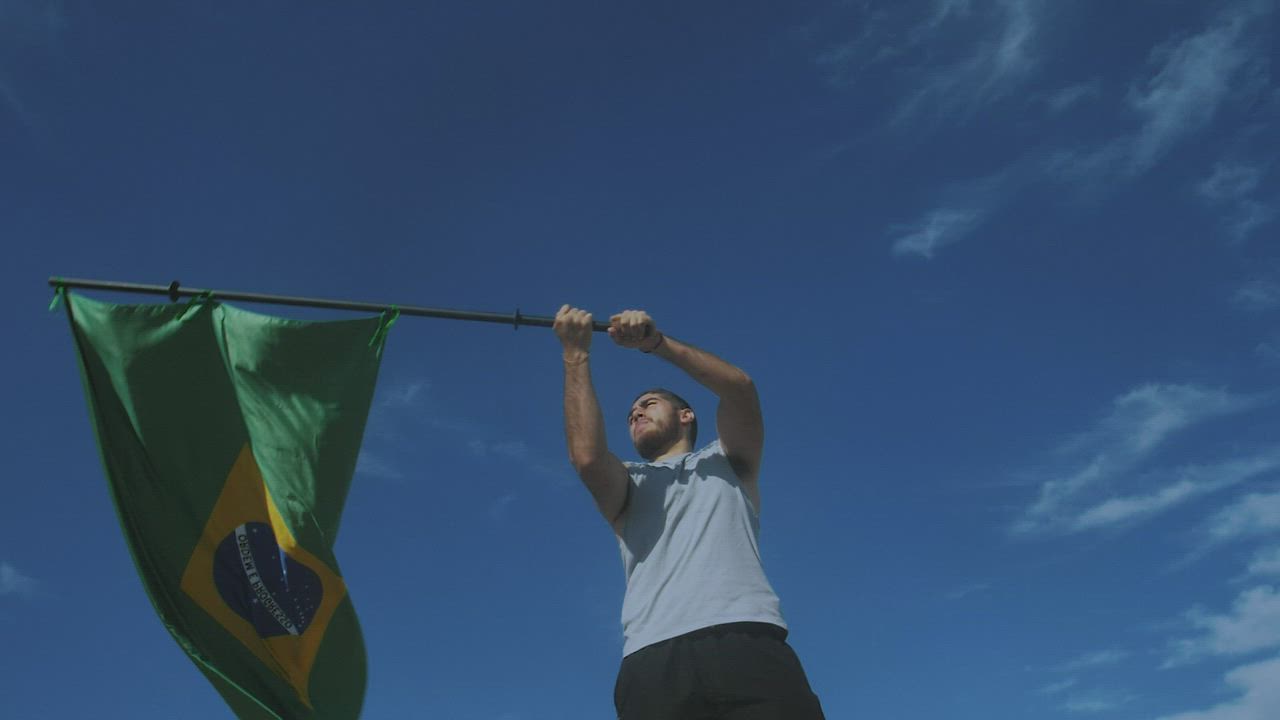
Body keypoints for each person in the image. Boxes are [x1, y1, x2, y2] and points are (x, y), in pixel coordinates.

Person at [553, 305, 825, 720]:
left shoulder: (730, 461)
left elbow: (739, 388)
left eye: (648, 403)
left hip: (747, 642)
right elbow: (587, 457)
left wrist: (654, 344)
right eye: (630, 414)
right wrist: (576, 354)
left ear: (686, 415)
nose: (636, 413)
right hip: (654, 659)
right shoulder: (629, 482)